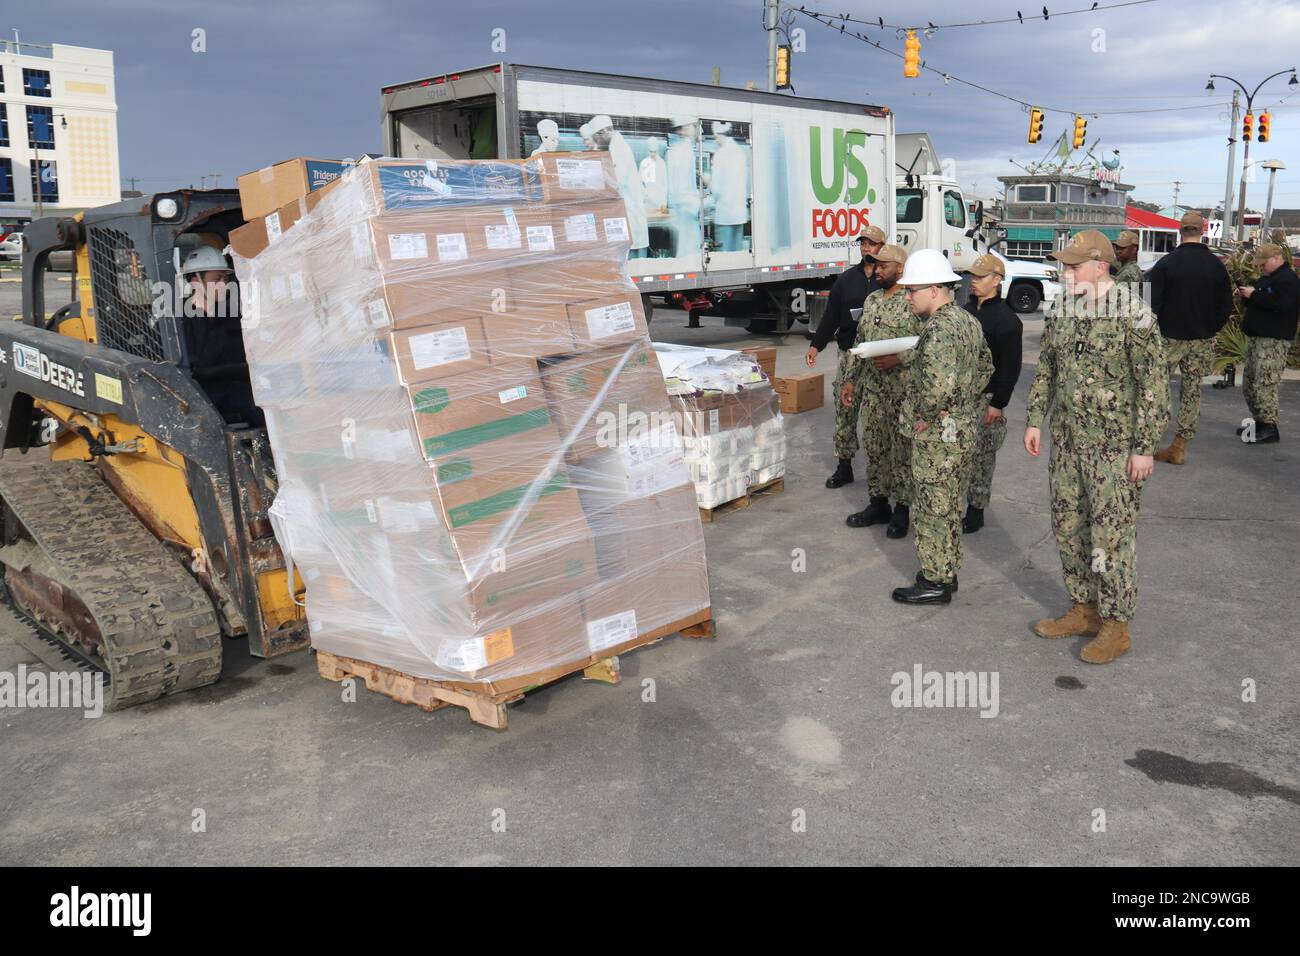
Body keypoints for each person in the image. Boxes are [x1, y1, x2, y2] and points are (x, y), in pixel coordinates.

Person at [1024, 230, 1168, 664]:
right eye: (1064, 266)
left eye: (1073, 266)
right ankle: (1083, 608)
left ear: (1100, 266)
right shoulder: (1063, 311)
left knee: (1110, 537)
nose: (1065, 273)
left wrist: (1144, 447)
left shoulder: (1135, 315)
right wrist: (1035, 419)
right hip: (1068, 443)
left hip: (1113, 448)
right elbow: (1047, 368)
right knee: (1069, 527)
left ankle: (1115, 625)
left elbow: (1153, 387)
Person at [889, 249, 993, 605]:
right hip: (962, 430)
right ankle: (946, 572)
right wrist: (961, 403)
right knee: (948, 506)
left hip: (938, 437)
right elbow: (985, 370)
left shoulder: (938, 328)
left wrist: (925, 414)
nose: (907, 297)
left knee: (933, 508)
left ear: (934, 290)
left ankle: (934, 580)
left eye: (912, 290)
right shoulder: (968, 321)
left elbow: (935, 388)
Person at [839, 245, 918, 536]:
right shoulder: (871, 300)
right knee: (875, 448)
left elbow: (928, 343)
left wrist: (900, 358)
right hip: (873, 391)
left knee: (901, 452)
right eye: (875, 264)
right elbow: (859, 342)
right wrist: (850, 380)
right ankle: (878, 503)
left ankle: (902, 509)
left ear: (900, 268)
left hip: (903, 392)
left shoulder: (912, 300)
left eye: (884, 265)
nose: (877, 270)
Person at [1146, 211, 1233, 464]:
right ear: (1202, 231)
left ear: (1181, 231)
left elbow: (1151, 304)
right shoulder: (1216, 266)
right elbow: (1225, 305)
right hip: (1201, 338)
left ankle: (1149, 442)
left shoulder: (1166, 264)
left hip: (1169, 337)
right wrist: (1210, 328)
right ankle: (1179, 445)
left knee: (1157, 389)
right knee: (1192, 391)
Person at [806, 227, 885, 487]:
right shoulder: (847, 279)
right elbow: (831, 315)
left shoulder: (889, 279)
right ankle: (844, 465)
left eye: (871, 244)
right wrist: (816, 345)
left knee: (877, 414)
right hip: (849, 353)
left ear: (881, 246)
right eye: (862, 244)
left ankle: (882, 470)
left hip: (878, 356)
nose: (866, 248)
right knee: (845, 408)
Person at [960, 254, 1023, 534]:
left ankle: (976, 510)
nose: (973, 281)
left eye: (980, 276)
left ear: (997, 280)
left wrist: (998, 404)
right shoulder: (964, 311)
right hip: (960, 398)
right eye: (972, 276)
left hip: (986, 399)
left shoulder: (1007, 320)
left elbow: (1010, 368)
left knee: (982, 459)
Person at [179, 244, 260, 426]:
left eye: (225, 278)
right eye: (217, 279)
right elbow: (196, 364)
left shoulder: (232, 314)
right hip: (203, 395)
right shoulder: (180, 320)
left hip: (238, 388)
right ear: (195, 281)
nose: (224, 284)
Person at [1237, 243, 1299, 444]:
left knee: (1264, 382)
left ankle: (1270, 426)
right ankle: (1260, 421)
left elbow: (1280, 304)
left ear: (1275, 259)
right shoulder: (1269, 279)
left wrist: (1254, 294)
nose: (1260, 268)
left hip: (1273, 340)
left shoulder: (1287, 280)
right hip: (1259, 338)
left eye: (1263, 264)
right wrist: (1249, 297)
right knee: (1251, 382)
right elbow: (1264, 302)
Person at [589, 115, 650, 259]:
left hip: (631, 215)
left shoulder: (619, 148)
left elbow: (616, 181)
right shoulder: (615, 146)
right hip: (628, 215)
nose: (597, 143)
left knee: (633, 264)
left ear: (603, 132)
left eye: (596, 138)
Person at [707, 122, 749, 252]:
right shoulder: (740, 152)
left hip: (725, 217)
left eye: (715, 137)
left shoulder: (720, 154)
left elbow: (717, 191)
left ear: (720, 135)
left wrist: (707, 180)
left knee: (724, 260)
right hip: (739, 216)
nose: (715, 140)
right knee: (737, 258)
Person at [666, 115, 703, 257]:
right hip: (686, 213)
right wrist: (700, 204)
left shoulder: (680, 149)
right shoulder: (683, 152)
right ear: (684, 129)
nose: (695, 130)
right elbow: (683, 189)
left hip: (684, 213)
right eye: (693, 127)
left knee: (686, 252)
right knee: (689, 254)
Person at [640, 136, 668, 212]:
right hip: (647, 203)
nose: (652, 154)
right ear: (647, 151)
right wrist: (643, 198)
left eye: (654, 151)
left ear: (657, 150)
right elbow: (640, 183)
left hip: (658, 202)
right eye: (650, 151)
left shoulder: (661, 163)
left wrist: (664, 203)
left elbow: (664, 185)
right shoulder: (644, 163)